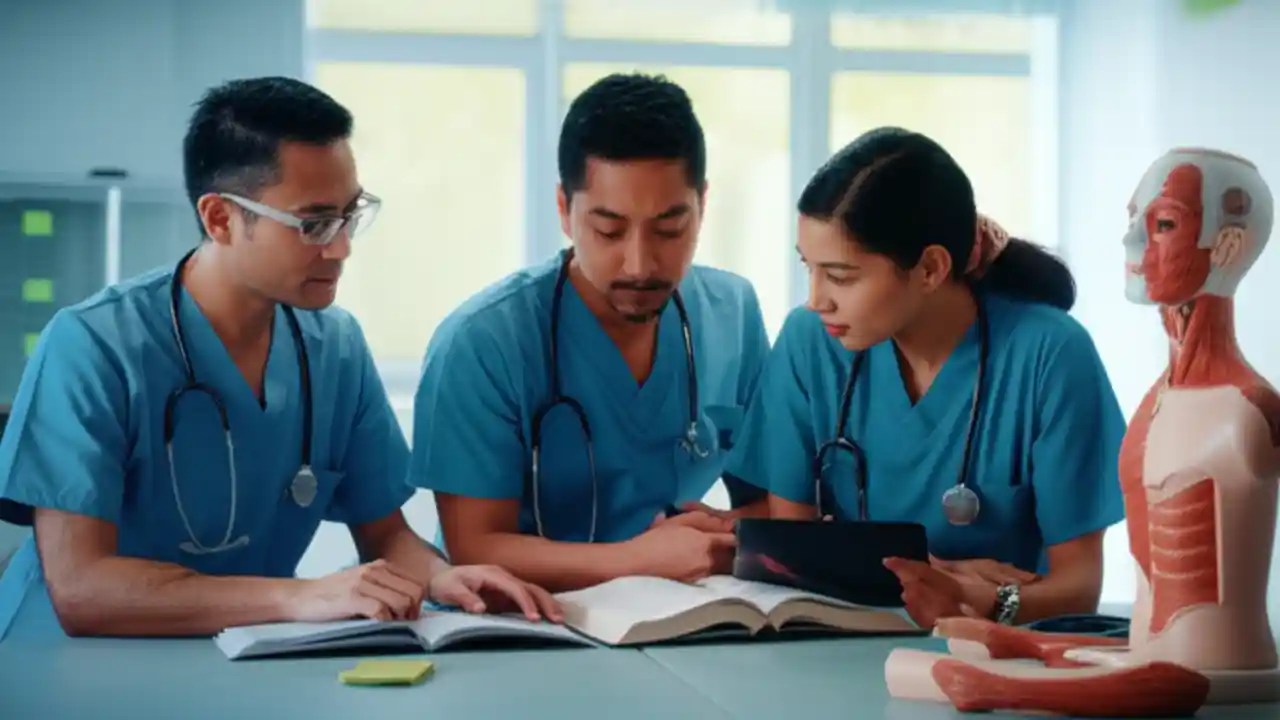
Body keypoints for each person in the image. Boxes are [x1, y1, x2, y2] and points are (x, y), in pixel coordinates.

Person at [0, 76, 558, 639]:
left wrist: (443, 579)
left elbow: (386, 536)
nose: (340, 248)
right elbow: (82, 590)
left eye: (350, 213)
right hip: (72, 663)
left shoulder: (334, 348)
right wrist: (302, 596)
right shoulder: (92, 346)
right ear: (220, 219)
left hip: (246, 650)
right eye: (313, 224)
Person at [725, 127, 1126, 628]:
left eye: (842, 276)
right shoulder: (810, 342)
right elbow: (792, 555)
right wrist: (937, 574)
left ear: (932, 268)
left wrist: (975, 599)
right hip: (834, 640)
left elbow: (1079, 589)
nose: (816, 298)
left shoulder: (1051, 355)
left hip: (994, 653)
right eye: (809, 268)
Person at [410, 73, 771, 592]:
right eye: (609, 230)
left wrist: (715, 537)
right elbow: (475, 545)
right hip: (523, 626)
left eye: (670, 229)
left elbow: (765, 502)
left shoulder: (731, 313)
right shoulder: (484, 341)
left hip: (683, 614)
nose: (640, 263)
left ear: (703, 205)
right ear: (564, 209)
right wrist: (637, 559)